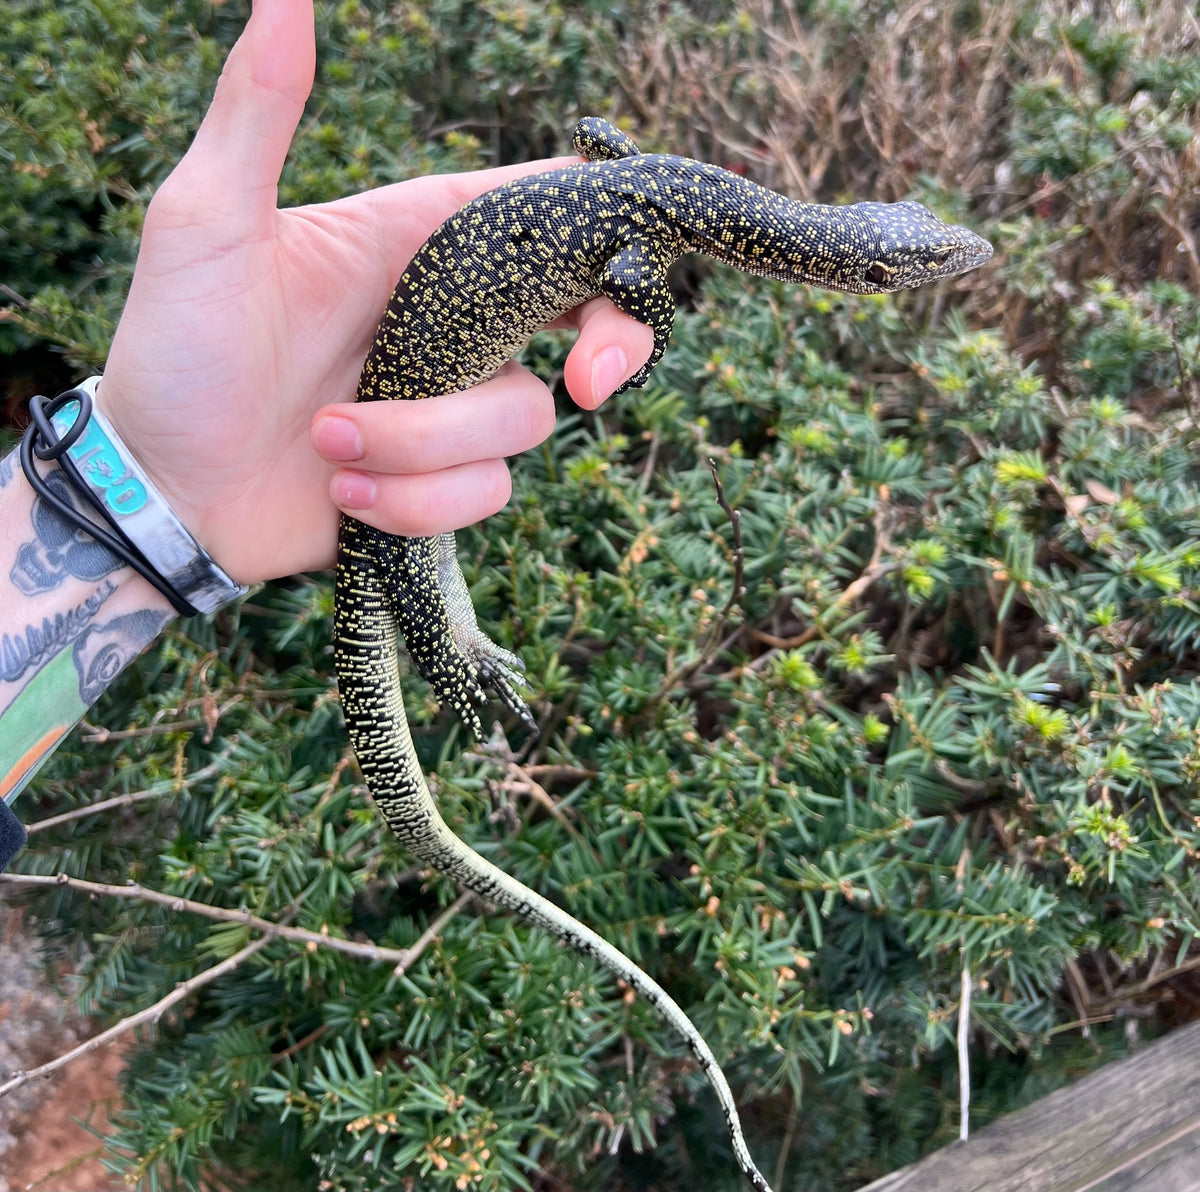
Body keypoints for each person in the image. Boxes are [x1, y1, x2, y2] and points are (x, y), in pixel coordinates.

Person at [0, 0, 653, 867]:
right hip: (369, 413)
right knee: (410, 545)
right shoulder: (652, 208)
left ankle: (456, 667)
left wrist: (148, 479)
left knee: (405, 542)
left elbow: (591, 130)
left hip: (254, 465)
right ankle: (456, 665)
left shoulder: (643, 193)